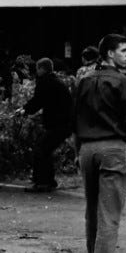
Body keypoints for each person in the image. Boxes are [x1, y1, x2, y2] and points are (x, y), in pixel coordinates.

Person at [74, 34, 126, 253]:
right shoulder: (121, 81)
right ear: (110, 54)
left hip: (87, 148)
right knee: (109, 213)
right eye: (123, 50)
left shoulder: (83, 80)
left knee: (91, 211)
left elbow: (74, 120)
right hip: (113, 147)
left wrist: (78, 151)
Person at [19, 57, 74, 193]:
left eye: (37, 69)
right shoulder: (56, 82)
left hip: (58, 124)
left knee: (41, 149)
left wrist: (24, 109)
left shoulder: (45, 82)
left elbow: (38, 100)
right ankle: (48, 181)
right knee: (45, 150)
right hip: (65, 123)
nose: (36, 72)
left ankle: (42, 182)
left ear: (41, 69)